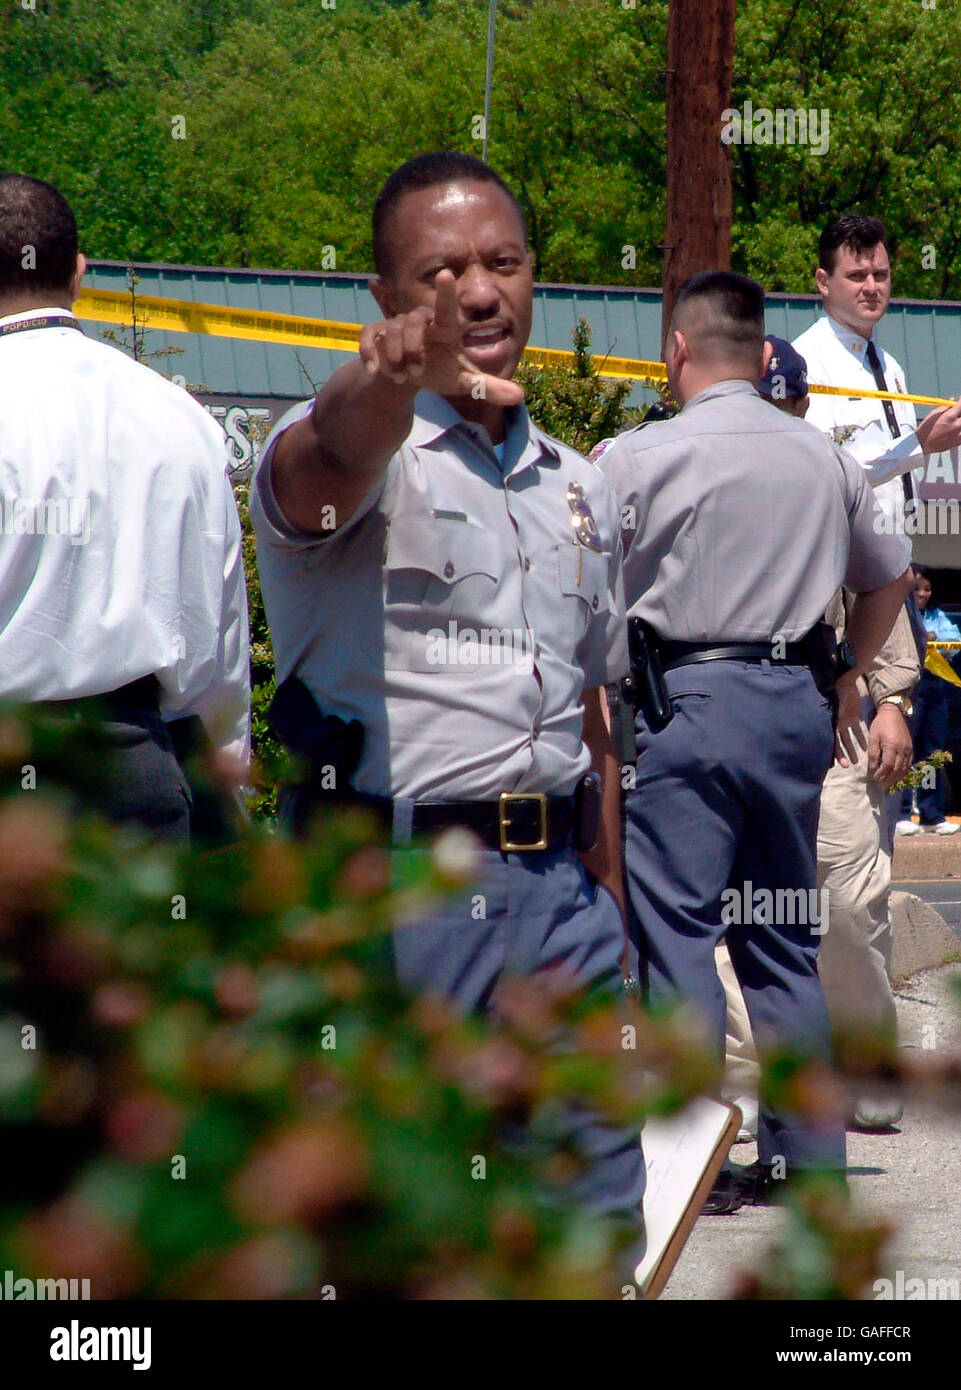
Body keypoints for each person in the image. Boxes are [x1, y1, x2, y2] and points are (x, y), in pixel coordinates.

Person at [250, 151, 644, 1255]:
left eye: (503, 261)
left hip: (559, 899)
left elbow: (590, 706)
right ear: (386, 298)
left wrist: (607, 906)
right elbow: (333, 450)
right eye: (442, 271)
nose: (480, 290)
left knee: (593, 1220)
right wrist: (386, 377)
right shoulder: (349, 452)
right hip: (398, 902)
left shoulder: (582, 481)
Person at [596, 271, 913, 1202]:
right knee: (781, 936)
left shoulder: (635, 457)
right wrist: (848, 669)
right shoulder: (825, 458)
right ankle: (807, 1164)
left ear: (678, 352)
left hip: (680, 705)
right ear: (756, 347)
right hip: (792, 707)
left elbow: (581, 587)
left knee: (679, 936)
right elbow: (889, 576)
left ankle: (691, 1167)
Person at [0, 174, 250, 840]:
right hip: (139, 777)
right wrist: (226, 790)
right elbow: (215, 644)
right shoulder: (181, 416)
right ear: (79, 272)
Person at [720, 338, 921, 1154]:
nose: (774, 418)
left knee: (840, 906)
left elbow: (888, 586)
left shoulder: (836, 486)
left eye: (786, 403)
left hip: (833, 714)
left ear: (803, 408)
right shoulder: (700, 483)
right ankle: (741, 1092)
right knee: (730, 911)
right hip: (727, 725)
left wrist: (892, 702)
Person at [793, 214, 961, 536]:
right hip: (839, 574)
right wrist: (920, 445)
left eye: (880, 274)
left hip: (896, 566)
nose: (871, 287)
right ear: (823, 282)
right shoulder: (804, 363)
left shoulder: (890, 366)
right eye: (857, 276)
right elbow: (826, 476)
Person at [896, 565, 961, 835]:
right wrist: (925, 636)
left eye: (927, 589)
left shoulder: (938, 616)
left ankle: (932, 815)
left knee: (932, 752)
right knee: (905, 749)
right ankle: (901, 813)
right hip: (910, 687)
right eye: (916, 589)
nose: (922, 594)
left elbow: (954, 639)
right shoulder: (900, 616)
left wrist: (934, 637)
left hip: (937, 689)